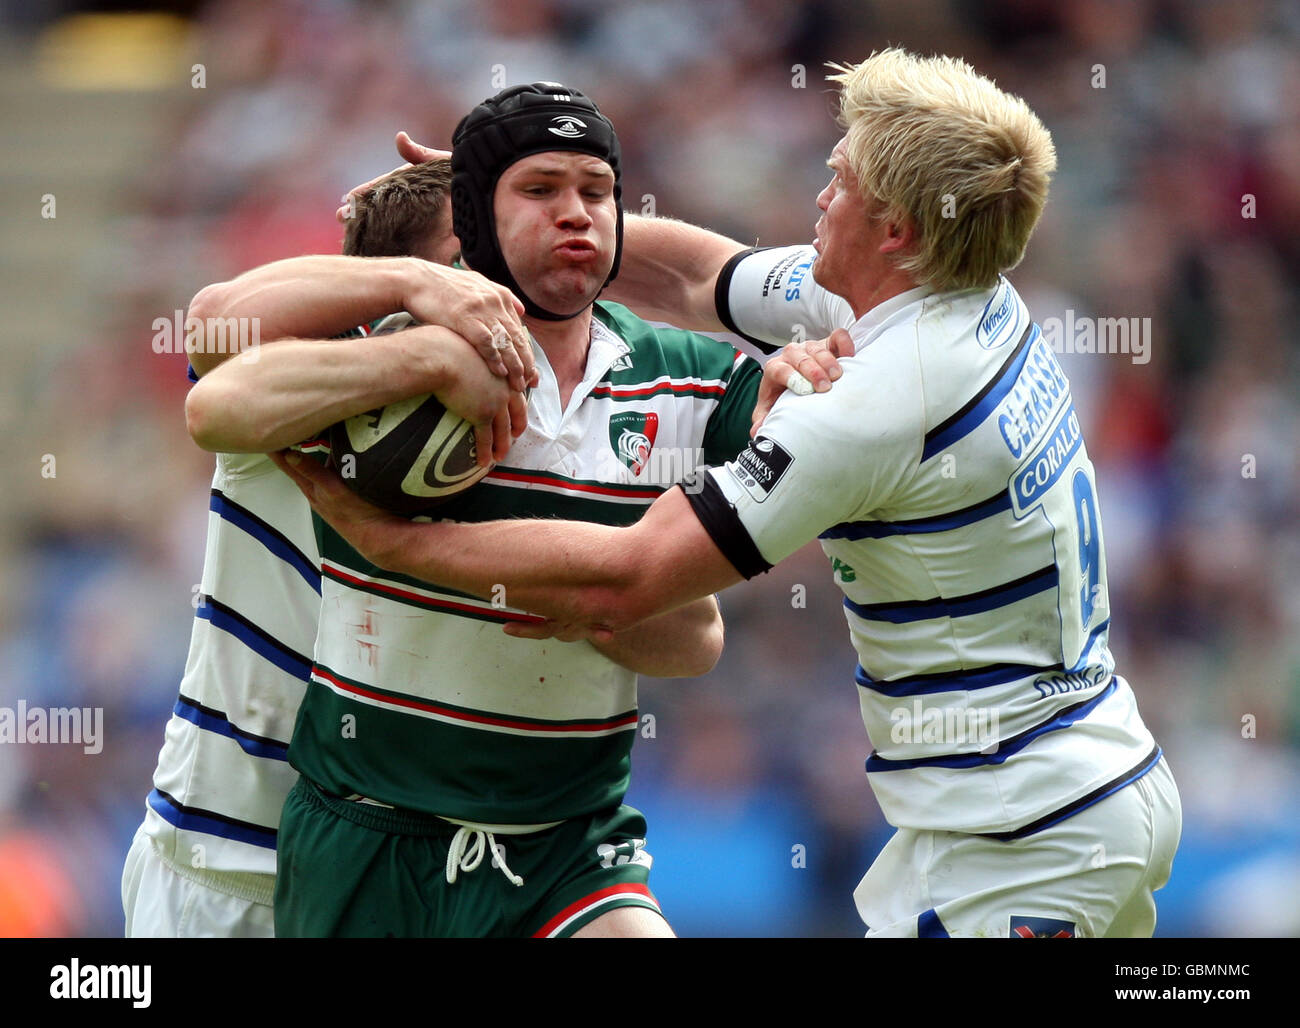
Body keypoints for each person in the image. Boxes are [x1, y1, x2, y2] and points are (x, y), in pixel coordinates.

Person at [282, 51, 1182, 938]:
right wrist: (503, 198)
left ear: (898, 229)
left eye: (840, 181)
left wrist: (390, 540)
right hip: (1080, 786)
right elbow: (686, 275)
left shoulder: (872, 397)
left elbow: (627, 580)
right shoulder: (942, 293)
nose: (820, 198)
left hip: (1025, 833)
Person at [187, 82, 808, 938]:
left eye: (597, 191)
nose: (576, 214)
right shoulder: (383, 370)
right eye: (540, 190)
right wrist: (427, 356)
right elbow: (215, 397)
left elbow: (699, 634)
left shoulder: (693, 380)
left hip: (569, 845)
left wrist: (804, 386)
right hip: (366, 836)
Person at [121, 158, 528, 937]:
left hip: (408, 882)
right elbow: (212, 317)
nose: (496, 289)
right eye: (469, 259)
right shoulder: (297, 387)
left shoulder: (532, 423)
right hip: (224, 868)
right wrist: (422, 314)